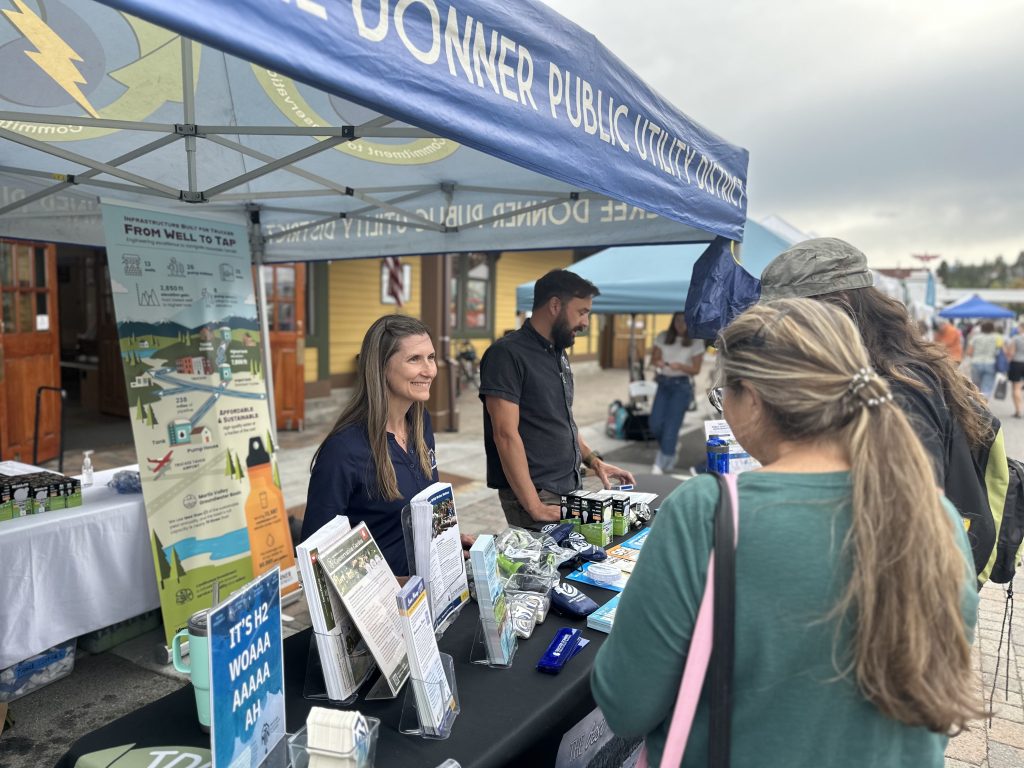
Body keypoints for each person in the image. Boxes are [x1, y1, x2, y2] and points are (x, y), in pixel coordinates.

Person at [592, 298, 980, 767]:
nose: (724, 407)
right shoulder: (935, 515)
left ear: (753, 398)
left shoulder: (707, 511)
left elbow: (625, 704)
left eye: (723, 394)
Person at [756, 237, 997, 578]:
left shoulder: (896, 392)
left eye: (791, 319)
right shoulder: (889, 369)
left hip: (910, 592)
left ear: (840, 308)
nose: (781, 334)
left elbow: (904, 530)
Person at [479, 269, 635, 529]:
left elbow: (561, 419)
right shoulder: (506, 354)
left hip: (568, 487)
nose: (586, 323)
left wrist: (594, 461)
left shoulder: (558, 351)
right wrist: (534, 506)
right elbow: (505, 435)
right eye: (582, 312)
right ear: (555, 305)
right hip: (538, 495)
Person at [301, 314, 439, 576]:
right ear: (381, 367)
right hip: (382, 598)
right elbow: (316, 558)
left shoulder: (421, 423)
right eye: (414, 359)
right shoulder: (344, 450)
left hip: (430, 586)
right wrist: (392, 585)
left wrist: (445, 539)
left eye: (431, 357)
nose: (429, 370)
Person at [648, 312, 703, 475]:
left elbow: (696, 369)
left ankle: (661, 464)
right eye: (678, 320)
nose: (680, 324)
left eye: (684, 321)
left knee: (671, 427)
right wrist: (658, 362)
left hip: (682, 386)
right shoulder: (663, 336)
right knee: (655, 424)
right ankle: (670, 448)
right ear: (673, 321)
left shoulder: (696, 341)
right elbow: (653, 359)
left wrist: (680, 366)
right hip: (663, 383)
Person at [967, 320, 1000, 400]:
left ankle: (976, 403)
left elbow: (969, 352)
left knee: (976, 386)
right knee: (987, 387)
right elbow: (1000, 351)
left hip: (976, 363)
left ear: (981, 328)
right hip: (990, 363)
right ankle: (984, 403)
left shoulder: (976, 338)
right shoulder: (996, 338)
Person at [1004, 320, 1024, 417]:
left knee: (1016, 388)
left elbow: (1011, 353)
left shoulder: (1016, 338)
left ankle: (1018, 411)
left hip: (1017, 363)